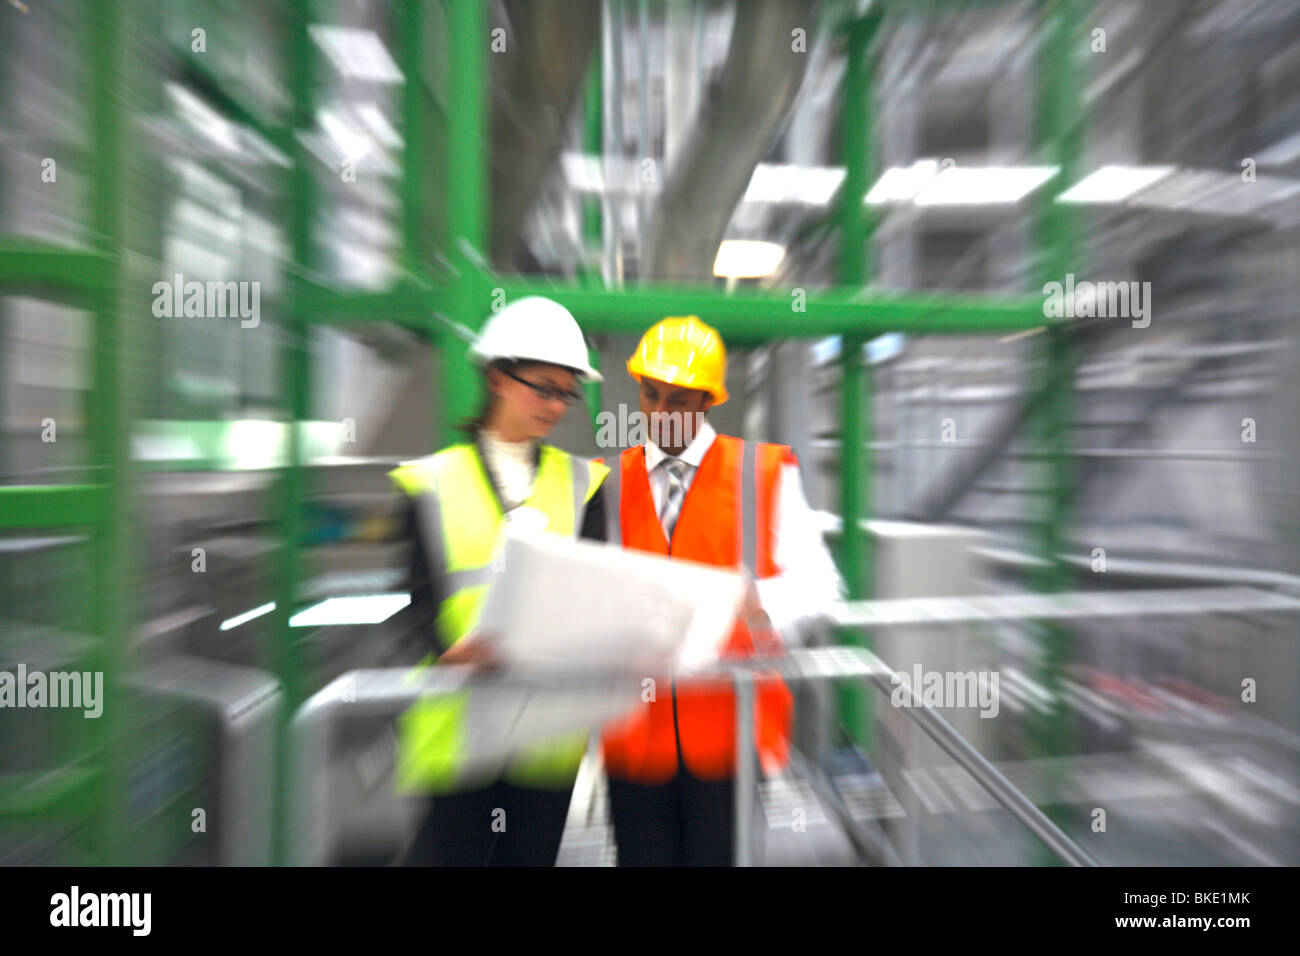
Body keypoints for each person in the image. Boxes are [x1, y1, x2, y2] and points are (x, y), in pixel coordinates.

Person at [599, 315, 843, 866]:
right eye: (650, 395)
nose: (660, 415)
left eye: (679, 400)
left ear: (708, 400)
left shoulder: (764, 471)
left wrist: (755, 602)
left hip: (728, 732)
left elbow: (821, 586)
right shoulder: (604, 481)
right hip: (633, 733)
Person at [389, 296, 607, 866]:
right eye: (544, 387)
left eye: (567, 393)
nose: (556, 406)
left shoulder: (586, 484)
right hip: (455, 729)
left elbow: (600, 595)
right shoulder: (430, 483)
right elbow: (407, 607)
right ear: (497, 379)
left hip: (546, 734)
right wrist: (444, 652)